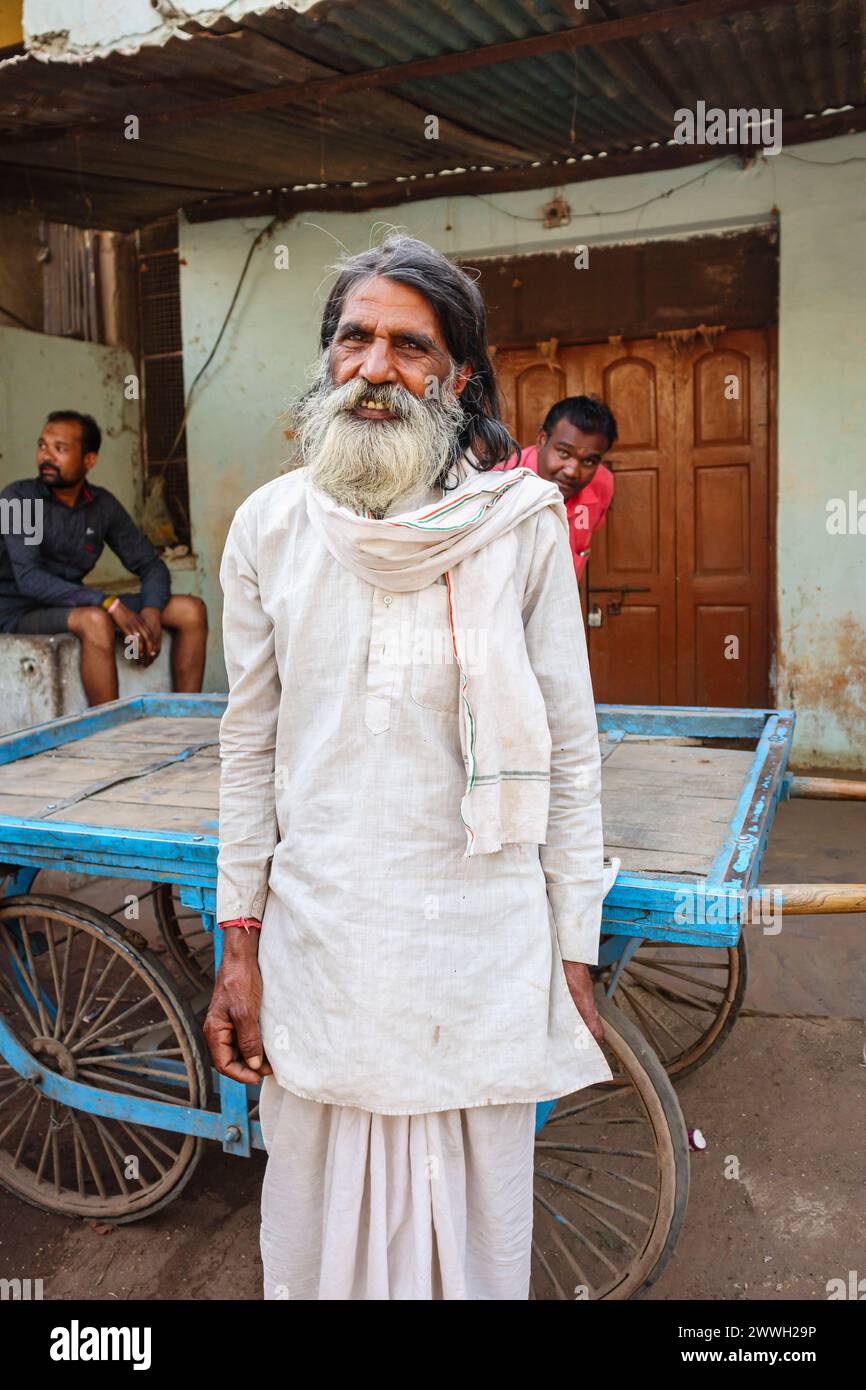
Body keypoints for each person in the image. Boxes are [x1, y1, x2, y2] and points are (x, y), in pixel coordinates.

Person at [205, 235, 612, 1302]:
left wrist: (573, 944)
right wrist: (236, 945)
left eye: (407, 344)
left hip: (477, 941)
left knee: (469, 1236)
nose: (375, 366)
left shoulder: (516, 522)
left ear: (456, 376)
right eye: (354, 337)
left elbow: (568, 743)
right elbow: (247, 747)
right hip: (321, 935)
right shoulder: (269, 528)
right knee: (317, 1230)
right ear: (327, 357)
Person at [0, 411, 207, 705]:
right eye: (43, 446)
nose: (46, 457)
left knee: (191, 610)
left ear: (89, 459)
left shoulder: (101, 506)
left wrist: (151, 610)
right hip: (19, 610)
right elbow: (30, 579)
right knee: (95, 620)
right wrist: (107, 603)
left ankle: (188, 713)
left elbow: (150, 564)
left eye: (60, 449)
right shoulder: (22, 500)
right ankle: (109, 733)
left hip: (70, 604)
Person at [496, 395, 617, 582]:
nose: (572, 471)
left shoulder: (601, 484)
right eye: (563, 452)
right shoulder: (497, 485)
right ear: (542, 440)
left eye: (589, 461)